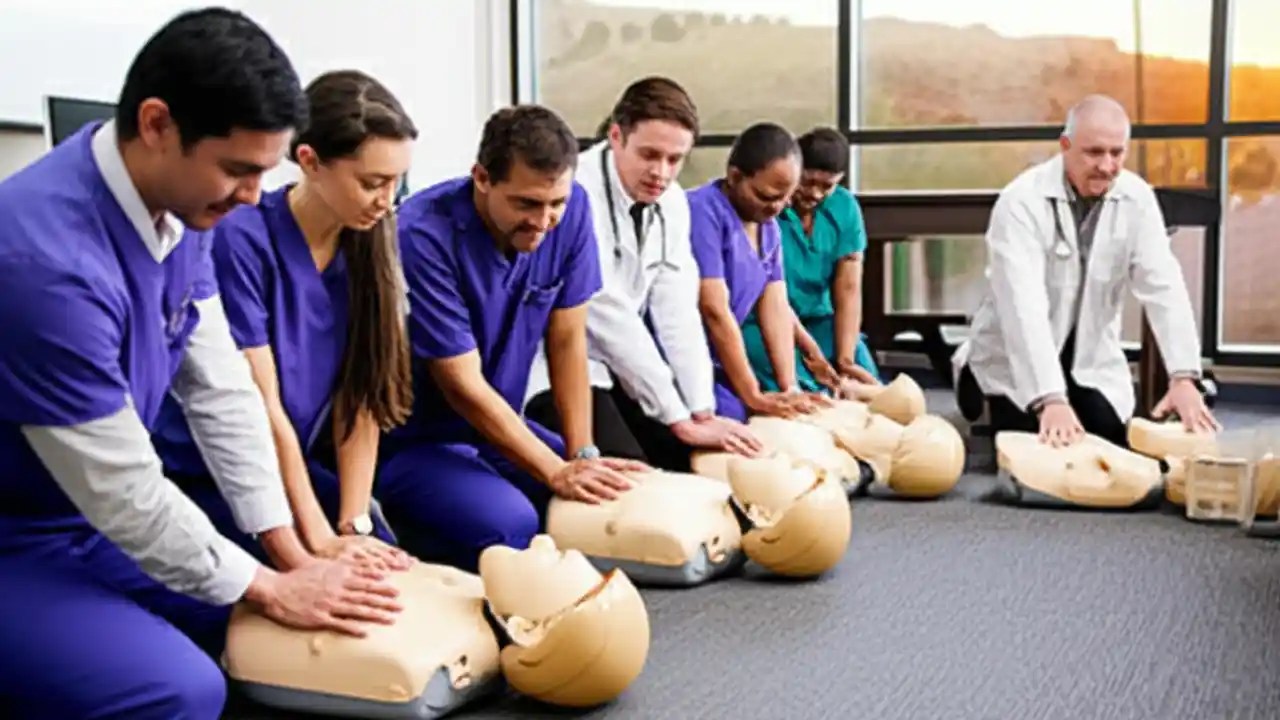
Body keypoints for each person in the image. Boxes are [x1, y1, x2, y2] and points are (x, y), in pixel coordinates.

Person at [0, 10, 402, 720]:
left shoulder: (182, 214)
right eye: (237, 169)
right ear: (157, 124)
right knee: (180, 689)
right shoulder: (42, 262)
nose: (253, 196)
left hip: (91, 522)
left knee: (297, 625)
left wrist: (292, 553)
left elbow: (224, 394)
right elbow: (122, 490)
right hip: (21, 540)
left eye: (263, 171)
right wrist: (275, 585)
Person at [152, 69, 416, 571]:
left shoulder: (371, 247)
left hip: (298, 467)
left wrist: (352, 524)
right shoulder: (241, 239)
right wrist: (316, 537)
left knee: (385, 559)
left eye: (396, 182)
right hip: (219, 472)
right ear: (309, 161)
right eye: (372, 183)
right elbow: (261, 404)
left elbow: (363, 397)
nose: (388, 201)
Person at [377, 105, 643, 573]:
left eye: (554, 204)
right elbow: (461, 383)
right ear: (482, 178)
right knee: (515, 525)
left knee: (613, 492)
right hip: (418, 441)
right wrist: (557, 470)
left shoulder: (573, 208)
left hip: (498, 428)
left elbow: (567, 340)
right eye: (525, 204)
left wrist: (581, 454)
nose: (543, 221)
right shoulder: (424, 232)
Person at [523, 77, 763, 472]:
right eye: (649, 154)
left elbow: (678, 312)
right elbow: (607, 310)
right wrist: (675, 415)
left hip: (620, 368)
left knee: (692, 459)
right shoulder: (575, 191)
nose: (661, 173)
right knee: (632, 475)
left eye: (675, 159)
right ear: (616, 136)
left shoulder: (671, 202)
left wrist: (700, 411)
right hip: (555, 369)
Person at [953, 94, 1218, 449]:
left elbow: (1164, 287)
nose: (1107, 166)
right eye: (1094, 152)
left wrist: (1184, 377)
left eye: (1117, 153)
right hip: (1014, 353)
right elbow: (1022, 307)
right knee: (1034, 441)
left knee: (1106, 436)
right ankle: (971, 377)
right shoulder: (1020, 202)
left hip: (1090, 353)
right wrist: (1050, 399)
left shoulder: (1137, 198)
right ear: (1065, 145)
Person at [687, 122, 826, 423]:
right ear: (734, 176)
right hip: (679, 356)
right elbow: (713, 309)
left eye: (784, 198)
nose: (776, 207)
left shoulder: (770, 229)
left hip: (716, 363)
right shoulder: (702, 212)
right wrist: (751, 393)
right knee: (735, 415)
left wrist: (790, 387)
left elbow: (775, 307)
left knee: (791, 408)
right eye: (765, 196)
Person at [745, 127, 882, 395]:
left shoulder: (844, 208)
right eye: (807, 182)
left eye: (827, 186)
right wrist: (810, 349)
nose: (815, 194)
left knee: (866, 383)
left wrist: (846, 359)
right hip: (763, 319)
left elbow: (849, 289)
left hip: (820, 321)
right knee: (805, 388)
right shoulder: (769, 209)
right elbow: (771, 296)